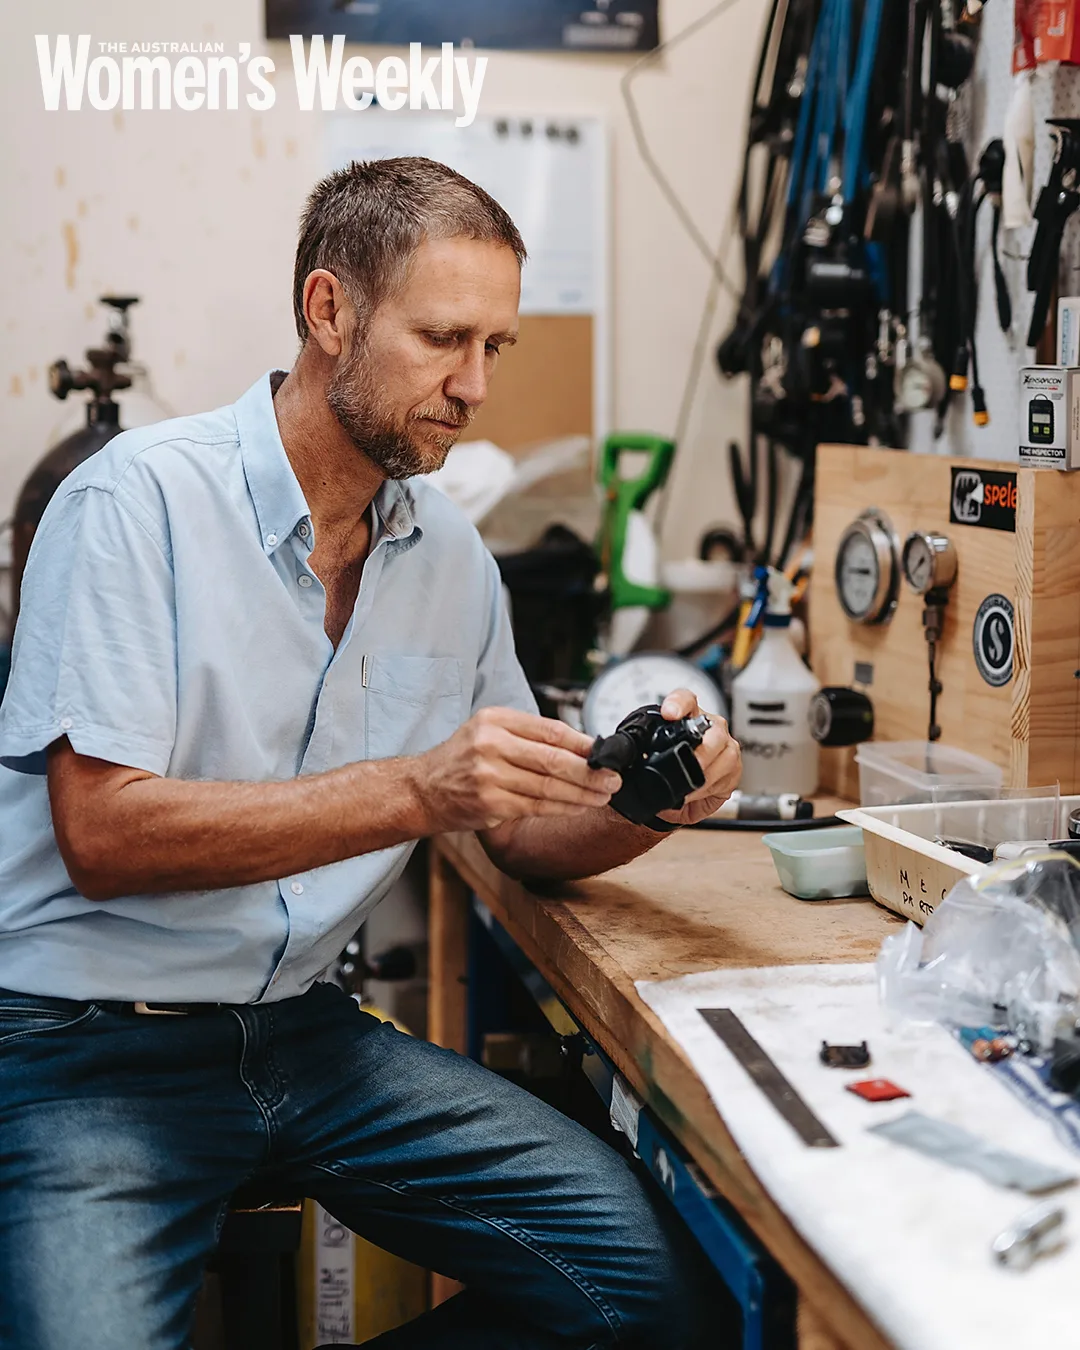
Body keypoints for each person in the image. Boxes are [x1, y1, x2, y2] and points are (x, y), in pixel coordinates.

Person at [0, 157, 741, 1350]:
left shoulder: (447, 554)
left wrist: (651, 804)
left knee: (661, 1296)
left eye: (496, 345)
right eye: (446, 338)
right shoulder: (136, 502)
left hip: (301, 1034)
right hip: (90, 1045)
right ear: (329, 311)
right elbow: (104, 835)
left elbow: (517, 828)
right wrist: (414, 787)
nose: (476, 385)